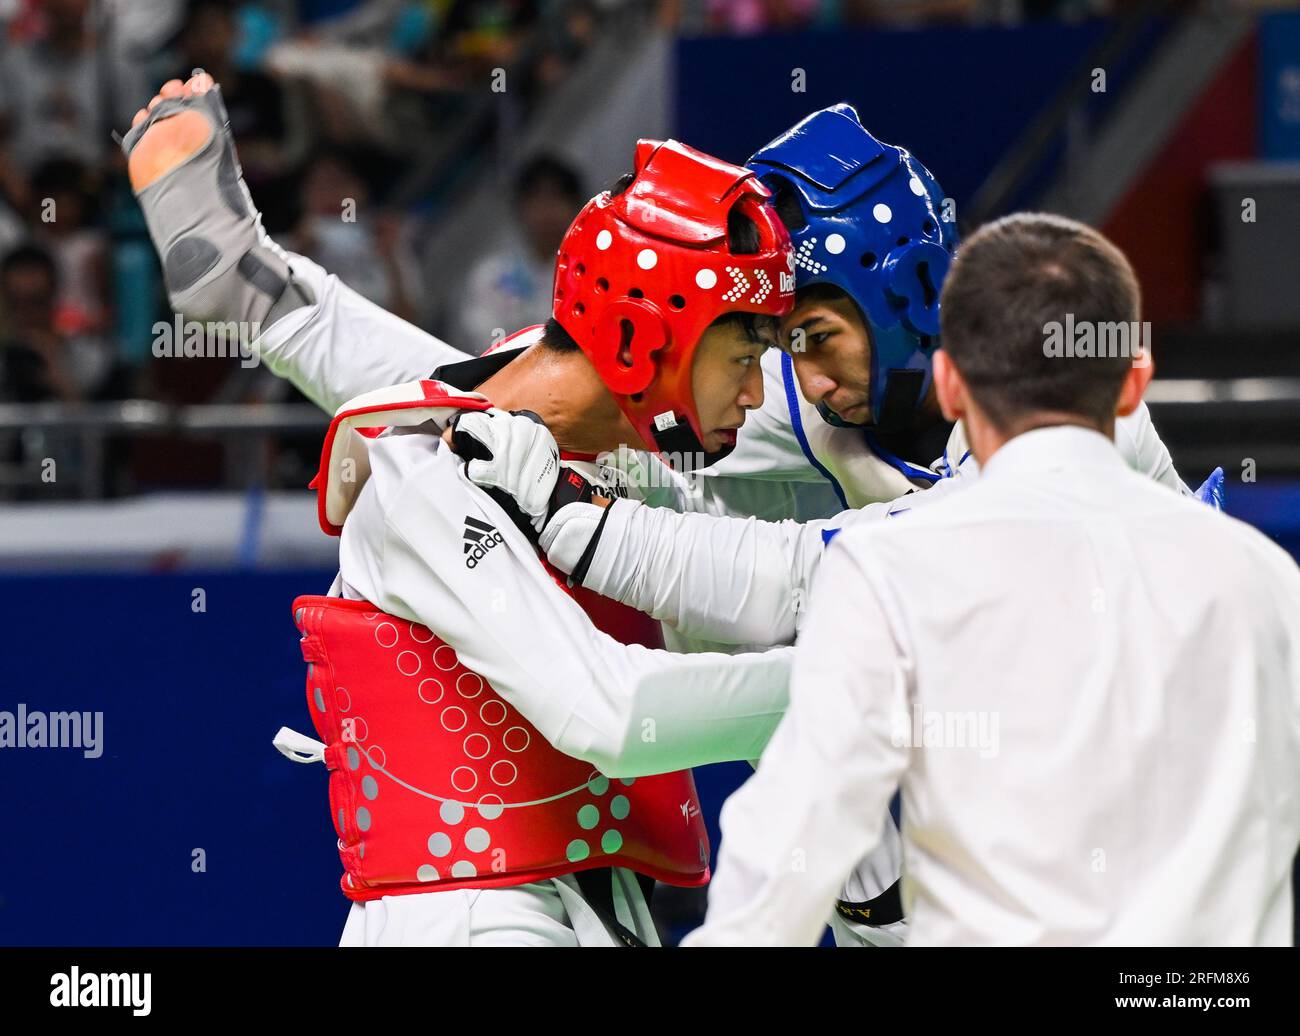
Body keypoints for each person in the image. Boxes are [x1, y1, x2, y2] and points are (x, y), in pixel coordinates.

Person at [123, 73, 802, 945]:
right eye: (744, 351)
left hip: (592, 906)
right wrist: (858, 674)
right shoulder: (428, 476)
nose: (758, 390)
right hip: (475, 918)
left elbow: (449, 384)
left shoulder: (533, 404)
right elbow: (612, 714)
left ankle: (248, 284)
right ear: (644, 340)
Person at [683, 213, 1300, 946]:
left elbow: (785, 862)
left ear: (948, 385)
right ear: (1135, 382)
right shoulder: (1266, 578)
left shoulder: (885, 576)